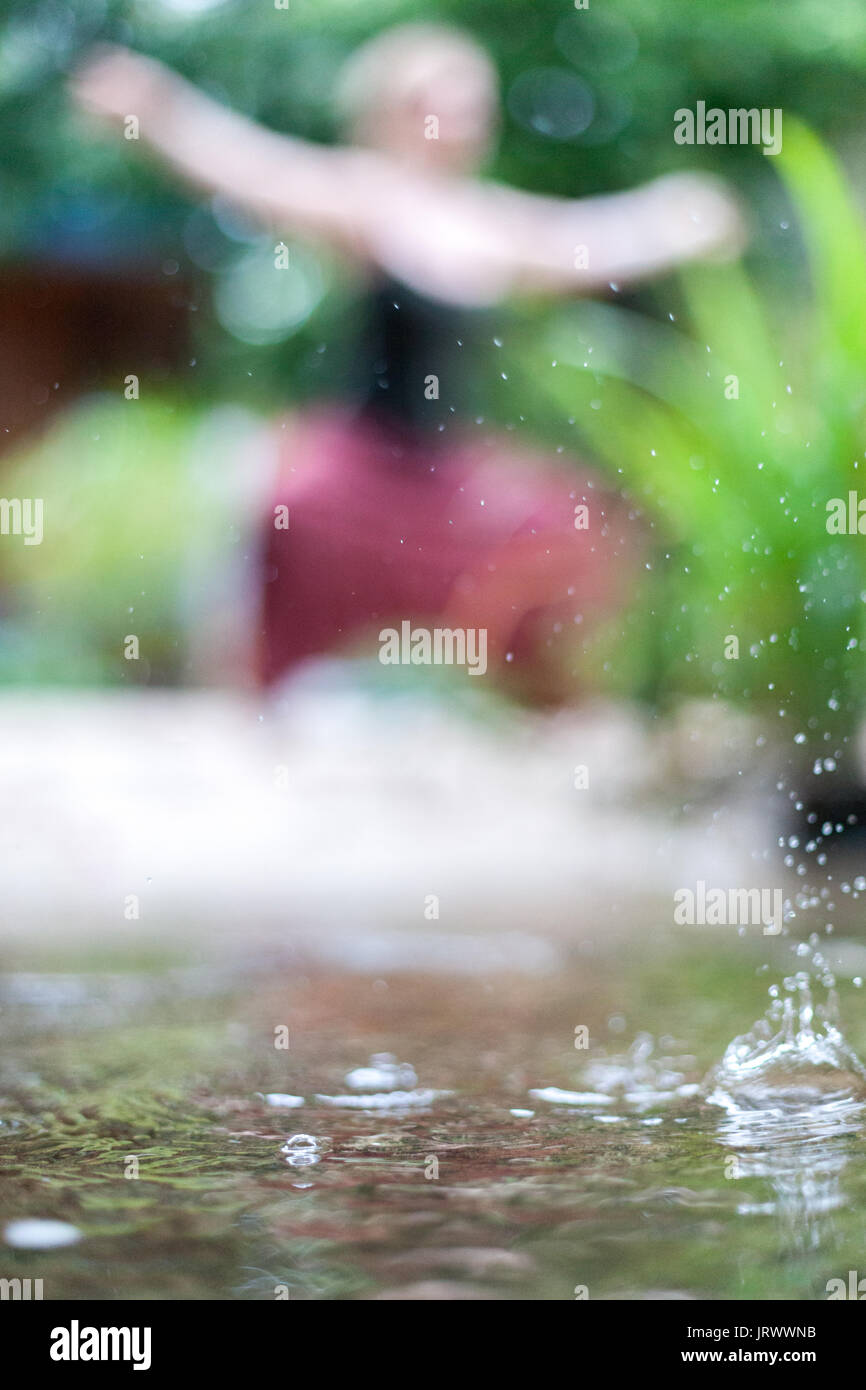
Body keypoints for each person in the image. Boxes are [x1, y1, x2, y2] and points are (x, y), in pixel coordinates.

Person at [70, 24, 745, 700]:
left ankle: (558, 713)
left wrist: (679, 216)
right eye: (440, 102)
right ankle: (256, 707)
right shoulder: (363, 195)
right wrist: (157, 110)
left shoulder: (494, 221)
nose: (460, 120)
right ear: (391, 111)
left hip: (447, 472)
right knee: (282, 514)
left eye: (472, 105)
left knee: (569, 531)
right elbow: (249, 166)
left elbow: (589, 240)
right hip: (360, 460)